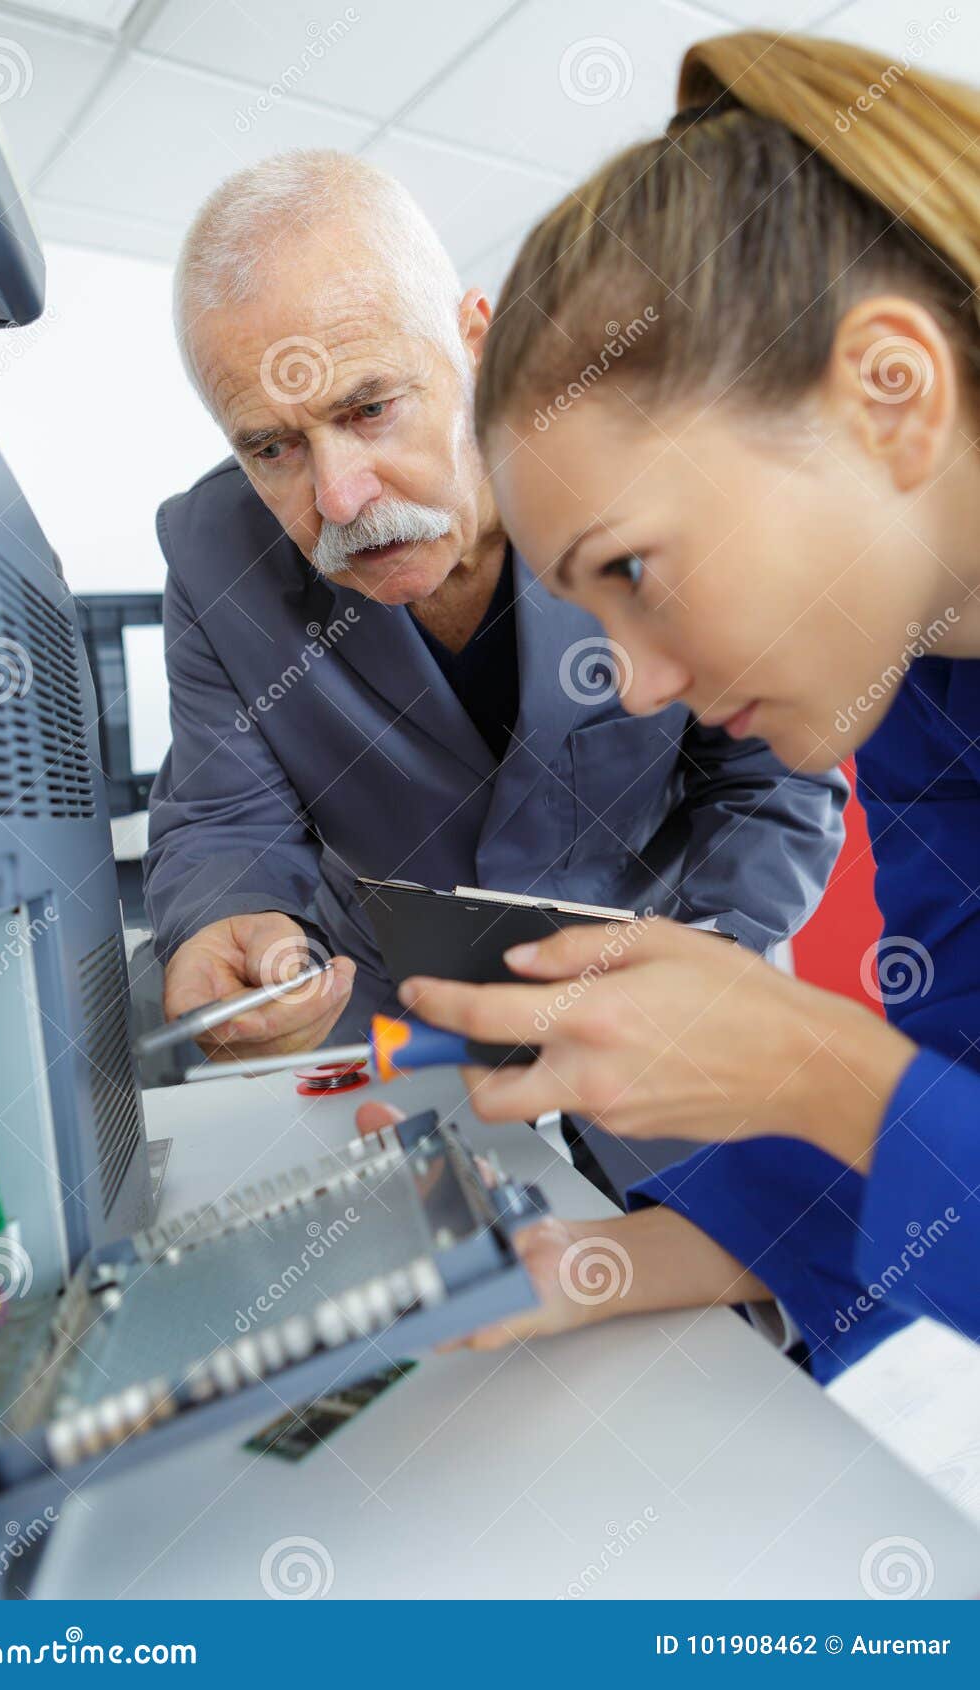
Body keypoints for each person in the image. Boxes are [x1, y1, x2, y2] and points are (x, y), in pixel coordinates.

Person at [397, 31, 980, 1377]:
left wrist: (804, 1061)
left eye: (634, 568)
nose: (641, 680)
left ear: (887, 393)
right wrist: (582, 1265)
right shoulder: (909, 685)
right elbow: (944, 1109)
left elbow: (884, 1106)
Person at [145, 147, 843, 1203]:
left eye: (370, 407)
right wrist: (227, 922)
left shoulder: (651, 486)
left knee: (718, 1294)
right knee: (440, 1303)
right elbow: (223, 818)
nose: (337, 497)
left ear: (474, 341)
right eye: (271, 448)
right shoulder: (209, 553)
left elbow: (773, 778)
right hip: (396, 1002)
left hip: (666, 965)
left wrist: (705, 955)